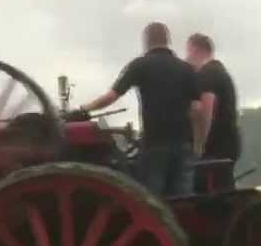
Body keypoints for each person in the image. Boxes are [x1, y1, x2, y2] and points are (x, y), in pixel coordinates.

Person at [74, 22, 202, 197]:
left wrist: (83, 109)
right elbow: (197, 109)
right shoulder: (187, 69)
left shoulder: (139, 65)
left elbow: (111, 96)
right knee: (184, 200)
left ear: (146, 42)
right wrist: (197, 144)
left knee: (154, 201)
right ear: (168, 40)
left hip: (155, 142)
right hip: (183, 143)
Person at [184, 33, 240, 165]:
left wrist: (199, 147)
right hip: (228, 144)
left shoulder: (207, 73)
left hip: (215, 149)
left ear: (195, 50)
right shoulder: (220, 71)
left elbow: (206, 109)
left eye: (188, 52)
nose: (187, 57)